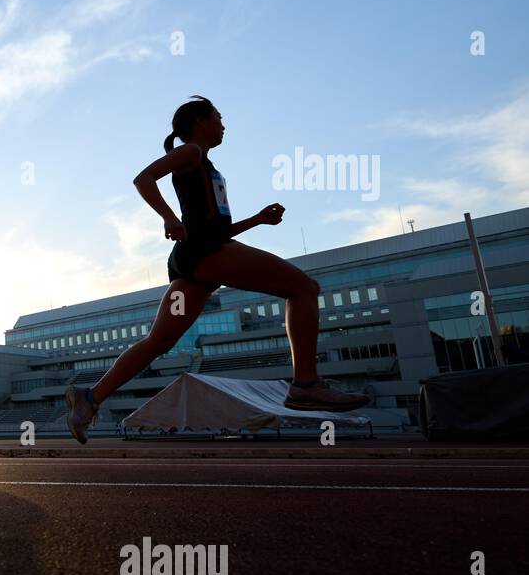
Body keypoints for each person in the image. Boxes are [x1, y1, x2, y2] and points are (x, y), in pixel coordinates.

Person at [65, 95, 369, 443]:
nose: (223, 124)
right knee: (303, 289)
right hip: (205, 253)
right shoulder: (191, 153)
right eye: (218, 117)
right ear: (200, 122)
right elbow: (143, 178)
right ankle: (305, 384)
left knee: (158, 341)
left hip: (195, 260)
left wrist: (256, 220)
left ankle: (90, 398)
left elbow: (215, 228)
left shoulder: (208, 167)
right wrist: (169, 217)